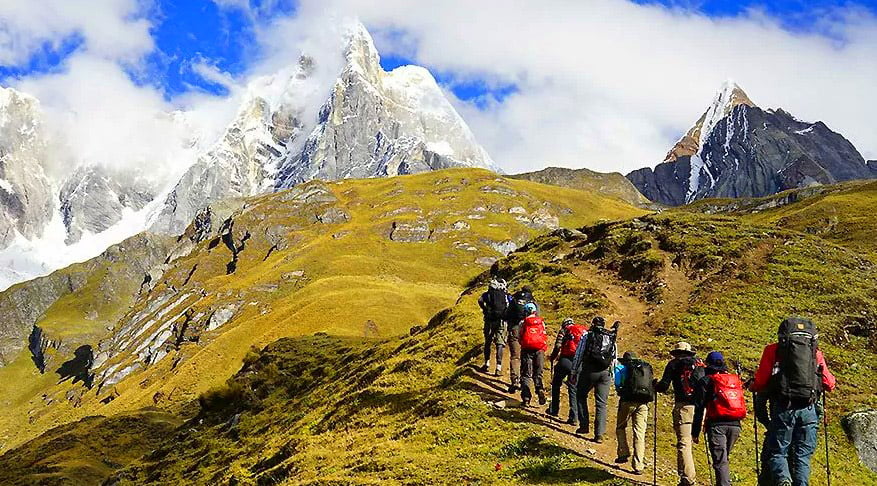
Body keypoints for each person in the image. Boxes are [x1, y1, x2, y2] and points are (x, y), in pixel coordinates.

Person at [749, 317, 836, 486]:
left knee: (778, 452)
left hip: (784, 408)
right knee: (803, 456)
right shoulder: (815, 353)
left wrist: (753, 386)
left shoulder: (773, 350)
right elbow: (829, 384)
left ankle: (783, 480)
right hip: (808, 409)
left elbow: (761, 381)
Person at [692, 351, 746, 486]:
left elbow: (699, 407)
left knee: (720, 460)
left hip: (717, 425)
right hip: (736, 425)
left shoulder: (706, 381)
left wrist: (695, 431)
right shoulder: (733, 380)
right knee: (723, 459)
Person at [655, 341, 704, 486]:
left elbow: (664, 386)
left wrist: (655, 385)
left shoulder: (674, 364)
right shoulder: (699, 364)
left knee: (684, 443)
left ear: (676, 353)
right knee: (689, 442)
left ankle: (688, 478)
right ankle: (684, 477)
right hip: (700, 408)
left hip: (683, 407)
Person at [570, 317, 618, 443]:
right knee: (601, 403)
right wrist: (612, 375)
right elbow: (614, 357)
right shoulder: (610, 336)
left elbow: (579, 354)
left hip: (589, 371)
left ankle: (584, 425)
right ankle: (599, 434)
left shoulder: (588, 336)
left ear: (593, 324)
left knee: (580, 395)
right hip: (605, 372)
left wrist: (574, 372)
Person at [614, 351, 654, 476]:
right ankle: (638, 464)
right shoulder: (644, 368)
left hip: (627, 402)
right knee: (639, 433)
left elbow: (617, 385)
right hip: (643, 403)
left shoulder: (620, 368)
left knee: (621, 426)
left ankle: (623, 452)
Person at [546, 318, 588, 425]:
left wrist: (553, 357)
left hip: (565, 360)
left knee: (556, 384)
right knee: (573, 388)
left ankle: (554, 409)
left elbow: (558, 346)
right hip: (578, 363)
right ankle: (574, 417)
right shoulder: (582, 331)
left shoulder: (565, 331)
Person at [505, 285, 538, 393]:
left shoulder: (515, 298)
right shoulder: (533, 301)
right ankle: (529, 383)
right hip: (529, 330)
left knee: (515, 356)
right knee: (527, 357)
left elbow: (507, 314)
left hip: (515, 328)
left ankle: (515, 380)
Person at [477, 278, 509, 376]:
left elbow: (480, 300)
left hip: (489, 320)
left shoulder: (487, 294)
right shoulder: (506, 295)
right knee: (500, 343)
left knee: (488, 341)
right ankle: (498, 367)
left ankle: (487, 363)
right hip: (502, 321)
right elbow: (510, 305)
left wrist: (485, 309)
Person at [518, 303, 548, 407]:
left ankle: (526, 398)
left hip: (527, 350)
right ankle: (539, 389)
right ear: (535, 311)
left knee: (526, 374)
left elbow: (519, 336)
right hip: (539, 350)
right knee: (538, 373)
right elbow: (544, 334)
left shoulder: (523, 322)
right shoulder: (541, 322)